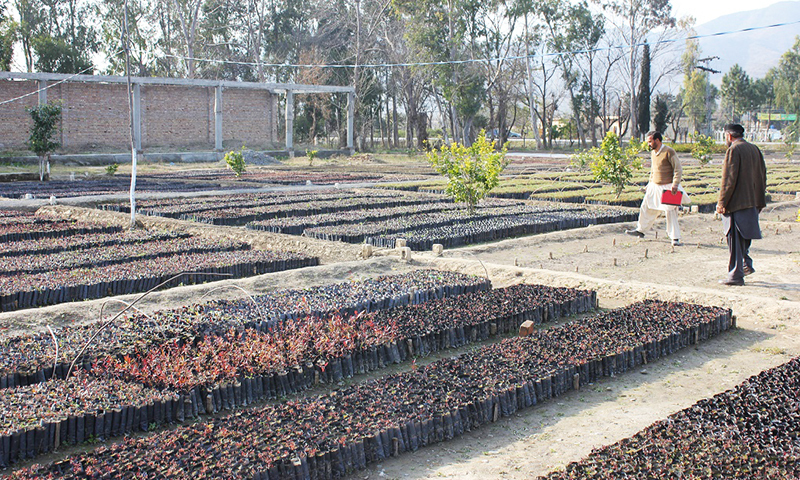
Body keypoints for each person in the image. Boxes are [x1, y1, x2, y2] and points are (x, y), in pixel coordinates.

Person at [717, 123, 767, 286]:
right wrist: (759, 200)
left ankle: (735, 276)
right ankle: (746, 264)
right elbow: (762, 175)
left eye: (725, 136)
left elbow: (728, 180)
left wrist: (722, 202)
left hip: (736, 203)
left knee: (734, 239)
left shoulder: (733, 150)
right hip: (752, 201)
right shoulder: (754, 149)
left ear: (729, 136)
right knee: (744, 238)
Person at [625, 131, 687, 246]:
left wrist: (675, 184)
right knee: (646, 206)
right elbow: (653, 170)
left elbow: (678, 169)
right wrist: (649, 185)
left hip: (668, 186)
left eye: (650, 141)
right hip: (654, 185)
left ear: (657, 140)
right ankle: (641, 230)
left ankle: (675, 238)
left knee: (670, 211)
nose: (648, 144)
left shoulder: (669, 151)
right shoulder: (653, 153)